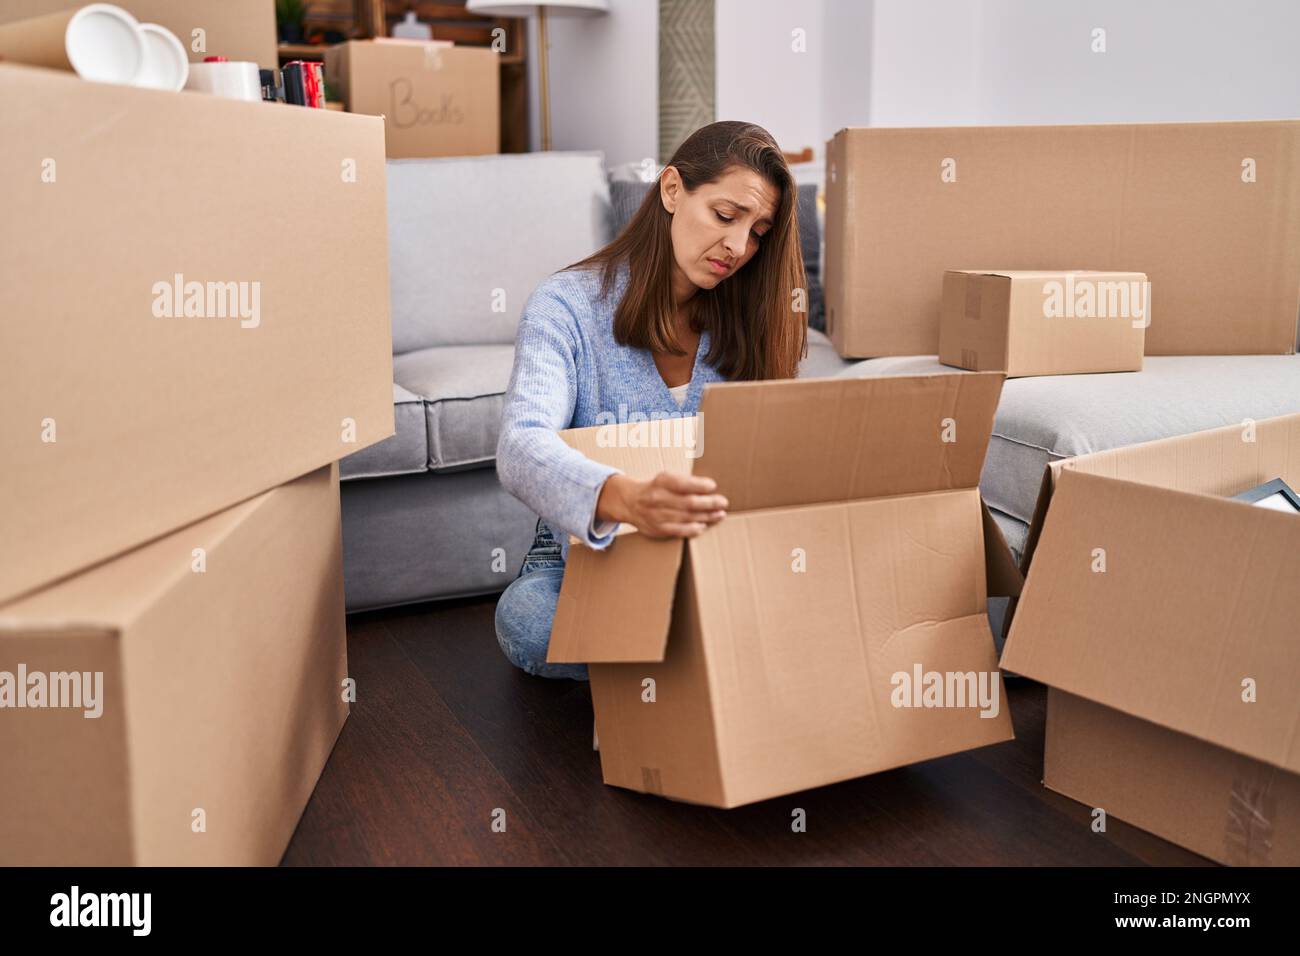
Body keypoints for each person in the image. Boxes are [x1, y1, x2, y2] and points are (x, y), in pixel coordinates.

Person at [494, 120, 808, 679]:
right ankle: (710, 659)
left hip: (714, 559)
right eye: (725, 216)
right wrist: (628, 500)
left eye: (758, 232)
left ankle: (670, 658)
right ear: (671, 191)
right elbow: (521, 446)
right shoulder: (565, 307)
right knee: (530, 622)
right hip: (584, 555)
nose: (739, 248)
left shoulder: (751, 318)